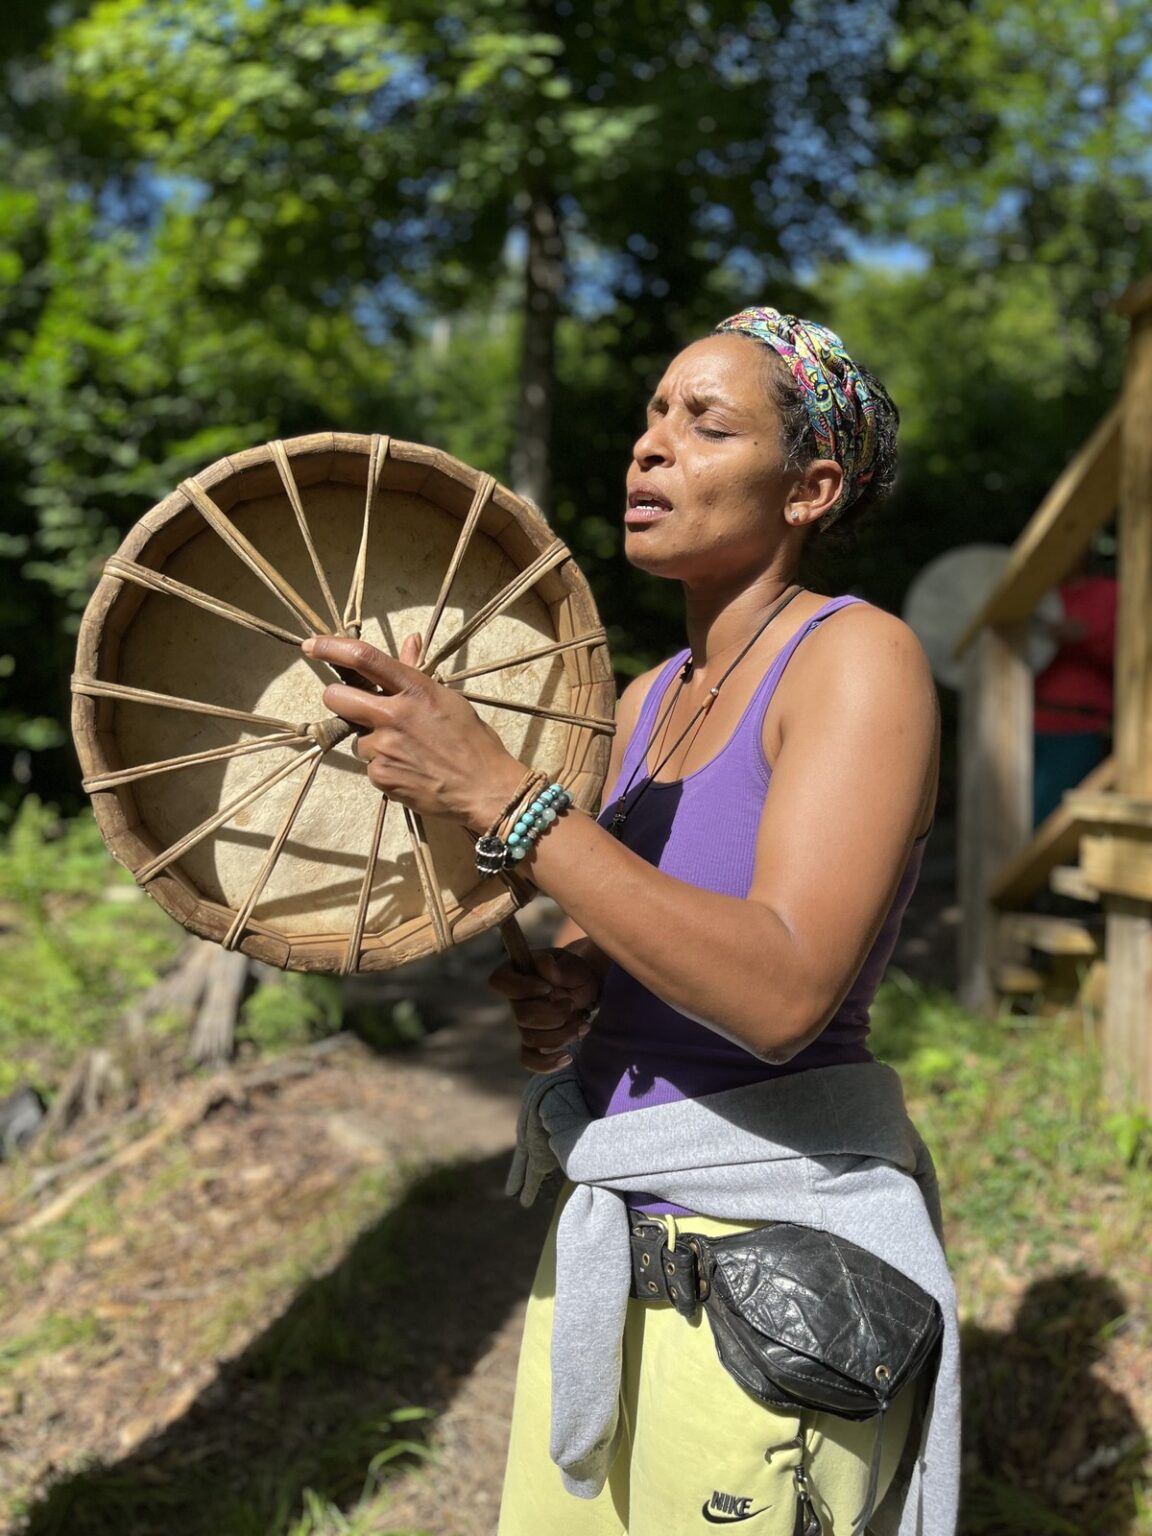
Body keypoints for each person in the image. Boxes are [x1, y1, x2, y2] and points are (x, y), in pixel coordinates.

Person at [302, 307, 958, 1536]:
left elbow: (780, 995)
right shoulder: (648, 700)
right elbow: (670, 928)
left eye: (705, 424)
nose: (650, 449)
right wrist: (589, 985)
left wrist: (505, 793)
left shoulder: (855, 659)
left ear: (812, 487)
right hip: (610, 1245)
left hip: (771, 1283)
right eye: (653, 417)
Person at [1032, 554, 1118, 826]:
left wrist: (1084, 638)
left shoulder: (1110, 593)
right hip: (1024, 724)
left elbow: (1133, 656)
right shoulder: (1034, 595)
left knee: (1054, 823)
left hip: (1079, 728)